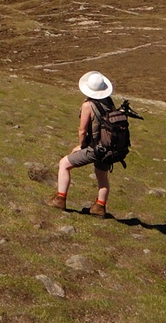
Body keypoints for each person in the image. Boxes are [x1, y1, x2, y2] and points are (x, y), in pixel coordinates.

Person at [46, 70, 126, 216]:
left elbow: (82, 130)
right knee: (102, 176)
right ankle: (99, 207)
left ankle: (59, 199)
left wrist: (81, 146)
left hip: (95, 148)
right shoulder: (109, 101)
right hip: (109, 147)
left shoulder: (88, 105)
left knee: (64, 164)